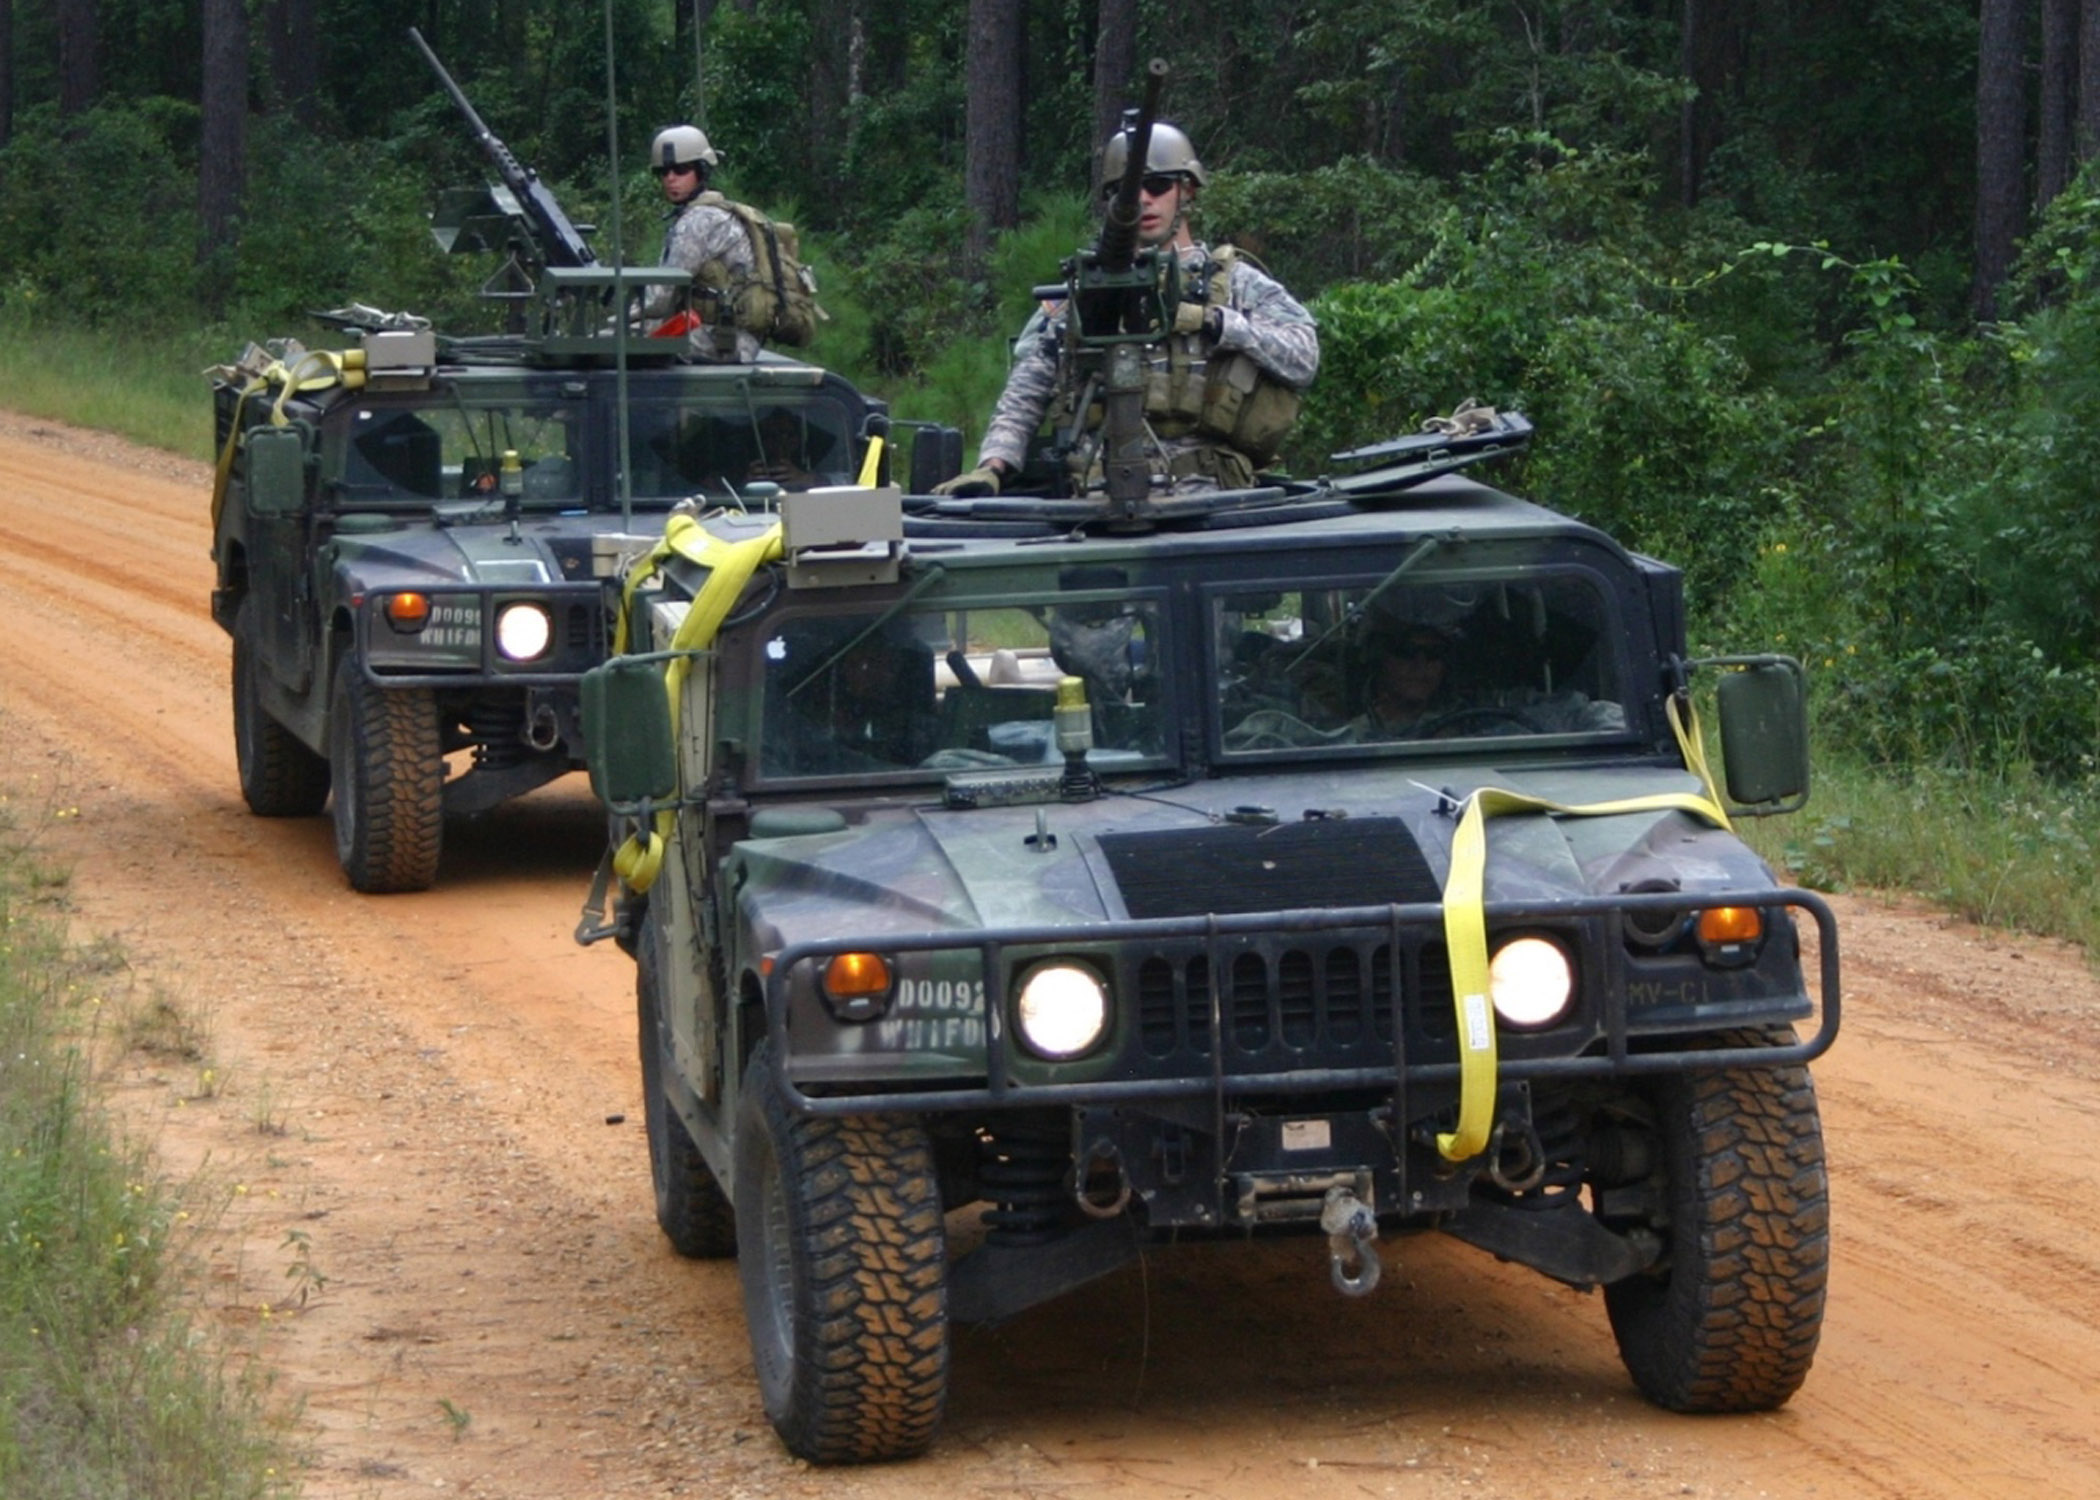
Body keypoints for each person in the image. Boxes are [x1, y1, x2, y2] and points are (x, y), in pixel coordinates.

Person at [937, 120, 1320, 498]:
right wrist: (992, 467)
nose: (1143, 201)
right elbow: (1027, 390)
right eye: (1126, 192)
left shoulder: (1234, 284)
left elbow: (1304, 356)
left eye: (1157, 186)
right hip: (1099, 499)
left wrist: (1216, 323)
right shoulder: (1087, 293)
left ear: (1186, 191)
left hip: (1208, 500)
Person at [642, 124, 762, 362]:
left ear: (701, 170)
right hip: (732, 339)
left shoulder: (699, 222)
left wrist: (614, 323)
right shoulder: (711, 213)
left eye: (680, 169)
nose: (670, 179)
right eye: (663, 172)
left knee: (628, 341)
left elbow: (660, 297)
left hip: (722, 341)